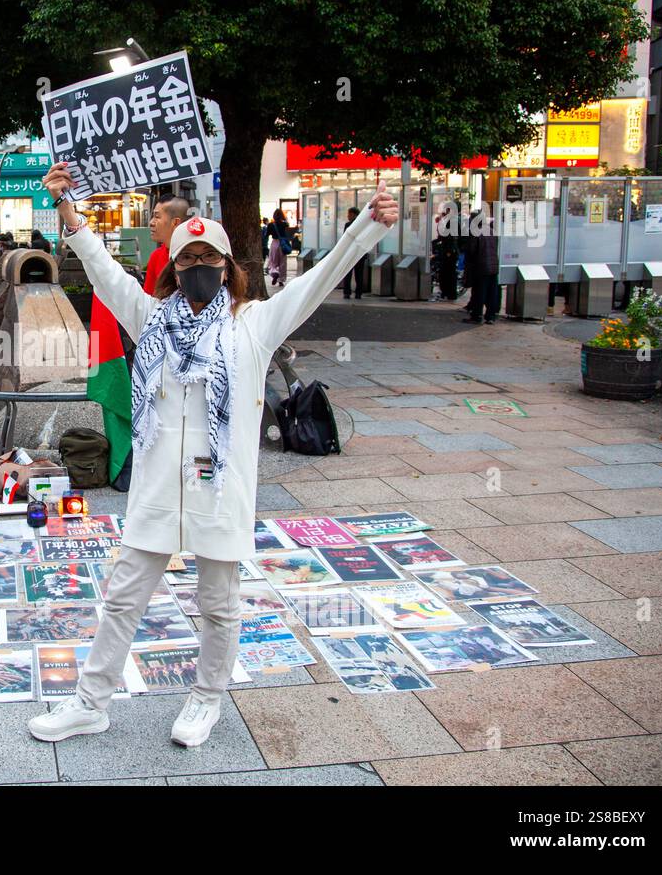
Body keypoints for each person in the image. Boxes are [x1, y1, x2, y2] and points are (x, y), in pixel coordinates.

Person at [28, 161, 397, 747]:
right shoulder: (150, 320)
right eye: (187, 260)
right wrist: (68, 207)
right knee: (123, 598)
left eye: (209, 258)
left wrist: (367, 230)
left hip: (218, 491)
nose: (198, 268)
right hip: (156, 490)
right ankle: (90, 703)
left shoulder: (255, 324)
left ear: (227, 267)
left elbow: (318, 280)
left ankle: (205, 701)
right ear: (173, 269)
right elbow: (102, 270)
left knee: (219, 605)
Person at [144, 195, 189, 294]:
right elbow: (150, 297)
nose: (151, 222)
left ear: (175, 222)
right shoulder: (156, 256)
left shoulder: (192, 255)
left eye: (157, 216)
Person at [464, 216, 500, 325]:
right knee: (491, 292)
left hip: (481, 267)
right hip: (493, 266)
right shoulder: (492, 232)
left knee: (479, 292)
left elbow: (472, 250)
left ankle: (477, 315)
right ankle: (491, 316)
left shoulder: (476, 233)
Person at [340, 206, 369, 299]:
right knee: (359, 274)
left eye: (349, 214)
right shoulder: (363, 225)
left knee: (347, 273)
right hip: (360, 253)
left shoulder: (348, 225)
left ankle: (347, 292)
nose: (348, 216)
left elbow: (346, 239)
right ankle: (358, 293)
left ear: (353, 214)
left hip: (350, 253)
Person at [264, 208, 293, 287]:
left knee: (272, 261)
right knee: (283, 263)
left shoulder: (271, 225)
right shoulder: (285, 224)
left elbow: (266, 235)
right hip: (283, 244)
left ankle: (274, 273)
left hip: (274, 243)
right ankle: (281, 280)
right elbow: (289, 235)